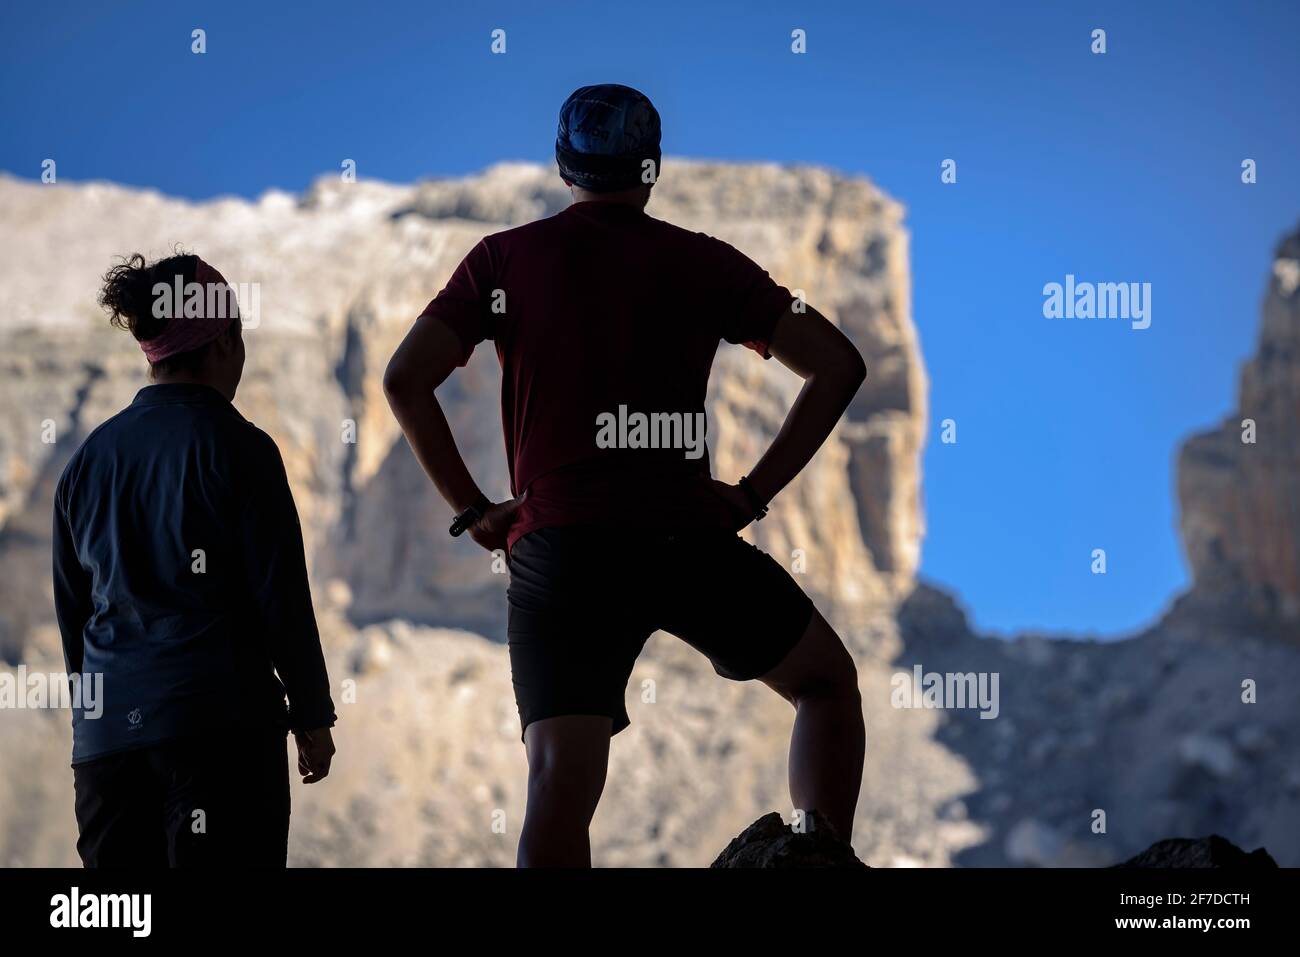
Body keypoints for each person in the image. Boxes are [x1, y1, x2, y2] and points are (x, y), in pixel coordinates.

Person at [384, 84, 867, 867]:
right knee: (824, 686)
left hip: (561, 549)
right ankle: (816, 859)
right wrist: (750, 494)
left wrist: (472, 507)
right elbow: (839, 365)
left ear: (562, 166)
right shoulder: (706, 262)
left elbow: (405, 378)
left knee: (558, 785)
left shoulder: (503, 258)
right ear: (653, 170)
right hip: (683, 537)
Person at [52, 251, 337, 868]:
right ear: (219, 341)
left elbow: (75, 619)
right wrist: (312, 714)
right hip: (219, 736)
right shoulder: (242, 448)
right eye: (237, 334)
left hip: (107, 754)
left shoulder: (85, 464)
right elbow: (281, 598)